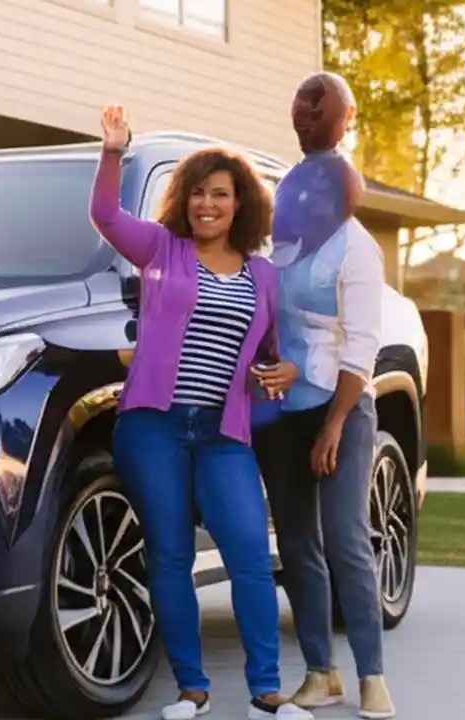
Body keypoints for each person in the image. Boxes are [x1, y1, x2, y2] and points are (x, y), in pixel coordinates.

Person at [90, 104, 310, 720]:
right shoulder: (161, 249)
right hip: (154, 428)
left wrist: (286, 370)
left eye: (221, 194)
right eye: (197, 193)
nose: (206, 204)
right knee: (170, 557)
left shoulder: (263, 276)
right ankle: (192, 690)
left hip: (223, 434)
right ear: (183, 200)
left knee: (248, 555)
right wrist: (113, 151)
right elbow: (105, 215)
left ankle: (266, 692)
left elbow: (274, 352)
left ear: (241, 204)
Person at [251, 72, 396, 720]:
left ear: (345, 119)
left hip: (341, 409)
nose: (309, 111)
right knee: (299, 548)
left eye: (323, 105)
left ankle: (371, 677)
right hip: (283, 412)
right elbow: (263, 317)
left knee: (344, 540)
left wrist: (337, 424)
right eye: (302, 103)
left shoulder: (358, 249)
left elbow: (360, 346)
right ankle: (320, 673)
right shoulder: (280, 236)